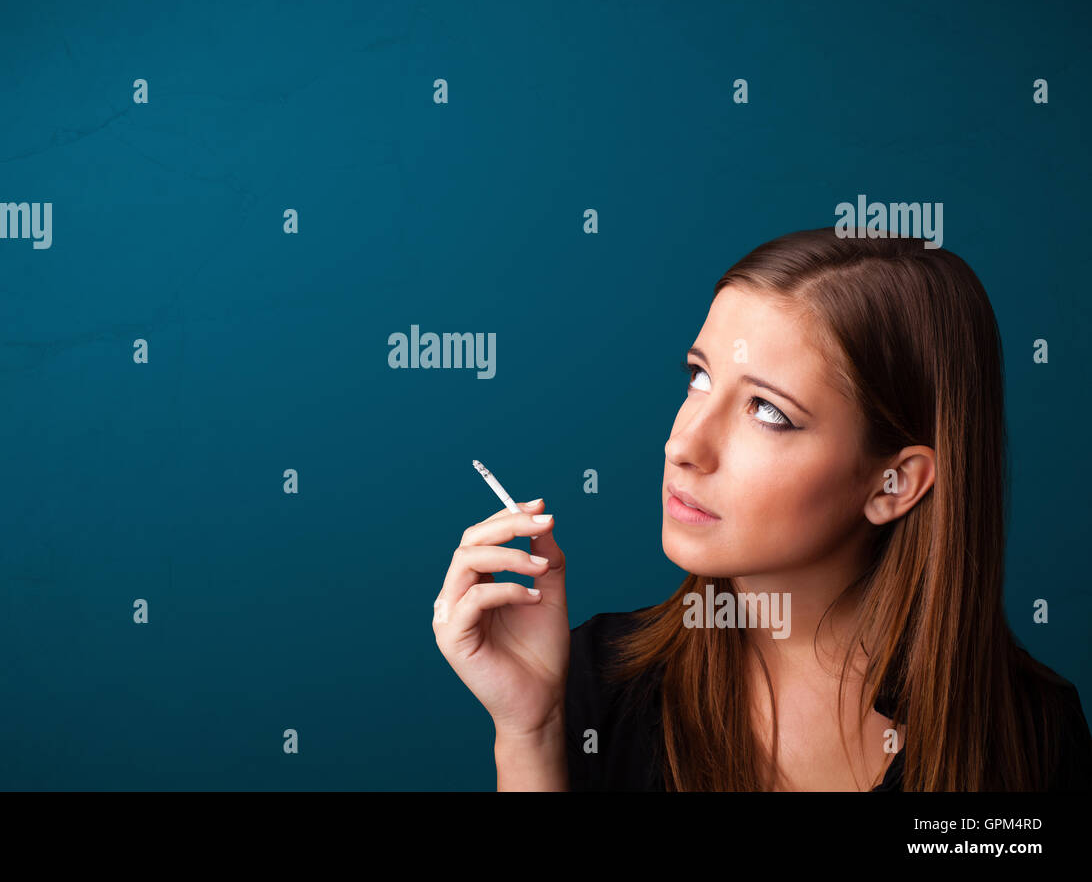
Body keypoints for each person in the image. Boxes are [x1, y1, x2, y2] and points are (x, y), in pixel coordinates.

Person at [433, 227, 1092, 791]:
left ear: (894, 484)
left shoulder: (1031, 735)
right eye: (699, 376)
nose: (682, 443)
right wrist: (532, 734)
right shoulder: (596, 689)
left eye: (768, 411)